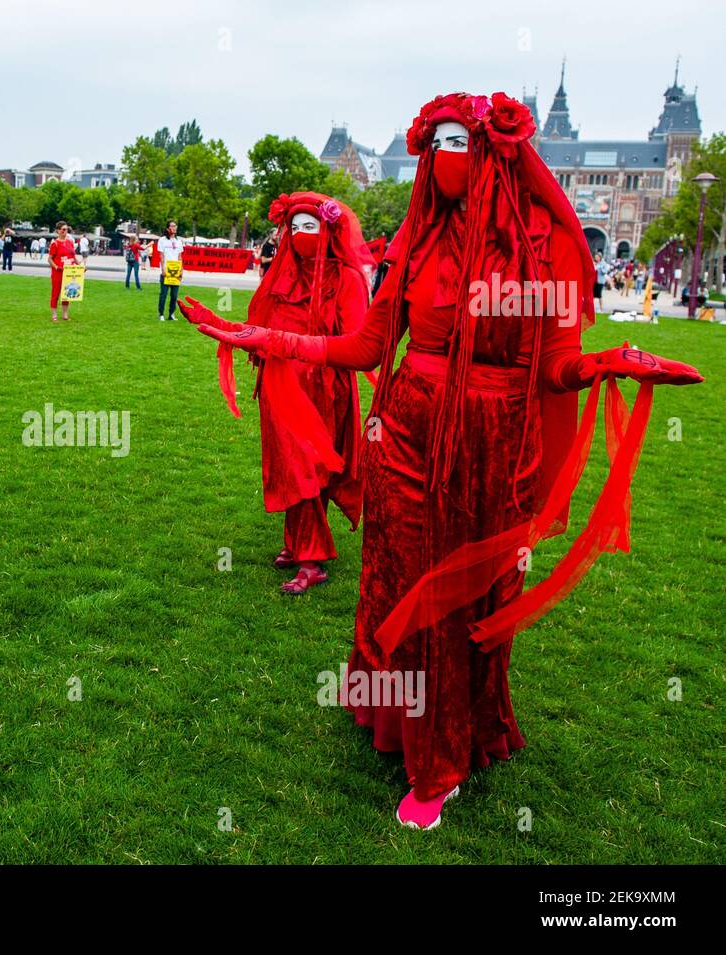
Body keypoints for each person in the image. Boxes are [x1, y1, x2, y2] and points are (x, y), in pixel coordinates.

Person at [196, 92, 703, 829]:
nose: (440, 159)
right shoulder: (418, 243)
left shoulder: (543, 247)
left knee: (460, 595)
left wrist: (609, 363)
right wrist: (263, 339)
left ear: (496, 152)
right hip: (403, 429)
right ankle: (403, 727)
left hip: (492, 438)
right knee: (397, 576)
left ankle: (448, 754)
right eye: (431, 145)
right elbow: (366, 348)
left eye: (456, 142)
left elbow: (554, 363)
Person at [183, 192, 368, 596]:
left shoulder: (348, 280)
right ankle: (298, 542)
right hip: (278, 385)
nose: (301, 236)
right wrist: (212, 320)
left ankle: (311, 559)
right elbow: (261, 335)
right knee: (289, 465)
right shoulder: (280, 277)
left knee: (308, 468)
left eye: (310, 227)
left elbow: (358, 346)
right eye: (294, 228)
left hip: (323, 390)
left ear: (329, 231)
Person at [48, 220, 79, 322]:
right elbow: (50, 259)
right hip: (58, 273)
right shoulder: (55, 244)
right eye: (63, 230)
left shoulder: (70, 242)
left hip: (69, 273)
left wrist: (80, 266)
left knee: (67, 293)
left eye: (66, 229)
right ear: (58, 231)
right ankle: (54, 315)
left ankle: (65, 314)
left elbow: (73, 257)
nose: (65, 231)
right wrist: (56, 267)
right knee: (55, 293)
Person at [156, 220, 184, 320]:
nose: (174, 228)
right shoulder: (162, 240)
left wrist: (181, 270)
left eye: (175, 226)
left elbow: (180, 257)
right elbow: (161, 255)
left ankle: (171, 314)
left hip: (176, 271)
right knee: (163, 294)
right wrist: (163, 269)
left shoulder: (179, 241)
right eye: (172, 226)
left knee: (174, 295)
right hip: (166, 271)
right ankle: (161, 314)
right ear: (168, 228)